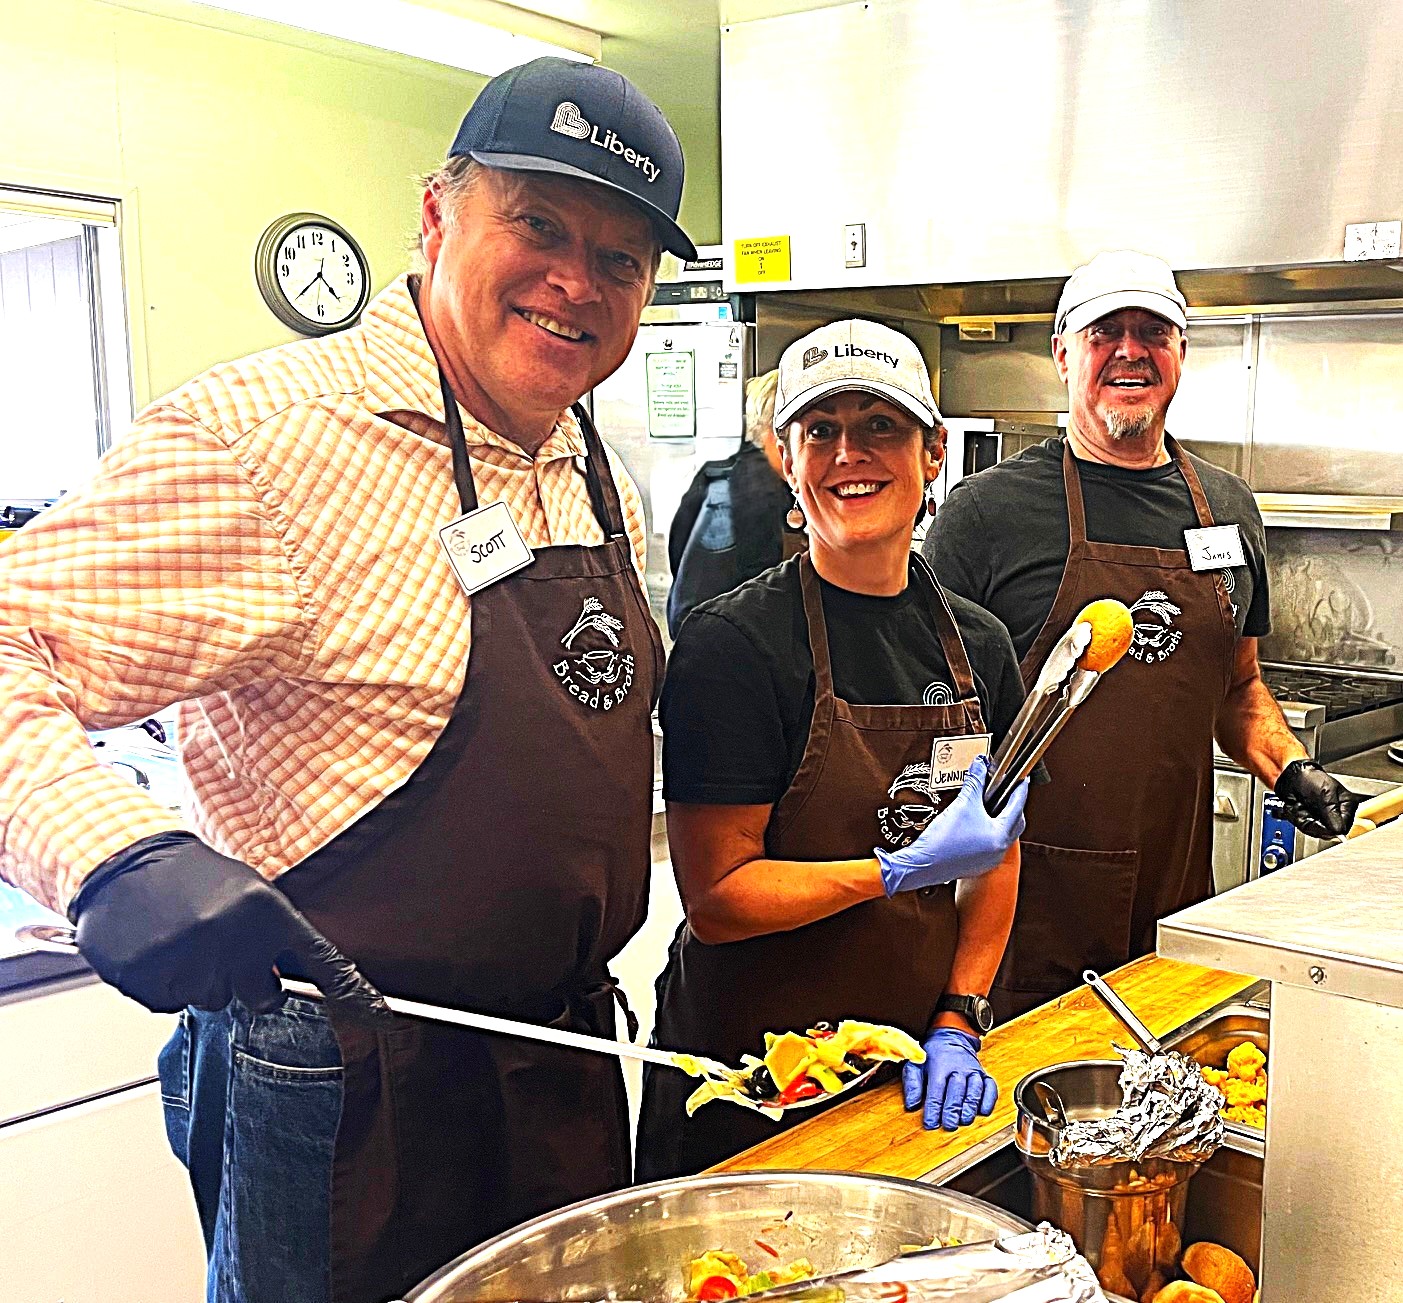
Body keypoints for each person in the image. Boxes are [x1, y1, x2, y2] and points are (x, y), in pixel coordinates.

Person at [0, 57, 696, 1302]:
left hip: (561, 1058)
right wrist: (110, 854)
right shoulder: (266, 441)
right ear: (437, 213)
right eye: (537, 223)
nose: (576, 282)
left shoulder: (602, 479)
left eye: (621, 256)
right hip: (339, 1082)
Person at [635, 319, 1030, 1179]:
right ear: (787, 457)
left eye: (880, 425)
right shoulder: (733, 644)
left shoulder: (981, 645)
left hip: (908, 1070)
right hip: (748, 1083)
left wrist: (960, 1015)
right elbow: (718, 896)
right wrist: (891, 871)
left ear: (932, 453)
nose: (850, 453)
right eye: (822, 430)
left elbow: (996, 863)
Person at [922, 249, 1360, 1023]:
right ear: (1062, 353)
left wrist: (1291, 770)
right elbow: (931, 714)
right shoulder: (984, 515)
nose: (1129, 350)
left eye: (1152, 331)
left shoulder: (1226, 508)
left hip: (1174, 889)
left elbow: (1239, 687)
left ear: (1180, 354)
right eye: (1104, 332)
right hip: (1024, 899)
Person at [665, 368, 804, 634]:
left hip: (692, 623)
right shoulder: (759, 493)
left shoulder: (725, 470)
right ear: (778, 432)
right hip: (720, 641)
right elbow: (764, 591)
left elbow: (678, 546)